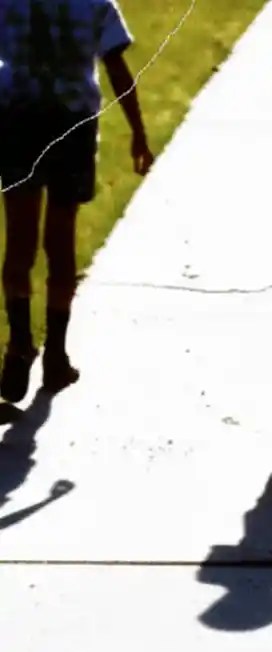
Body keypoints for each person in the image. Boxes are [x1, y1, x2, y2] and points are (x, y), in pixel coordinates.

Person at [0, 0, 154, 403]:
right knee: (60, 241)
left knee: (19, 241)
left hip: (17, 121)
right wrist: (138, 132)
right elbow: (116, 68)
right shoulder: (95, 4)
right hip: (73, 127)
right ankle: (55, 353)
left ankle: (18, 346)